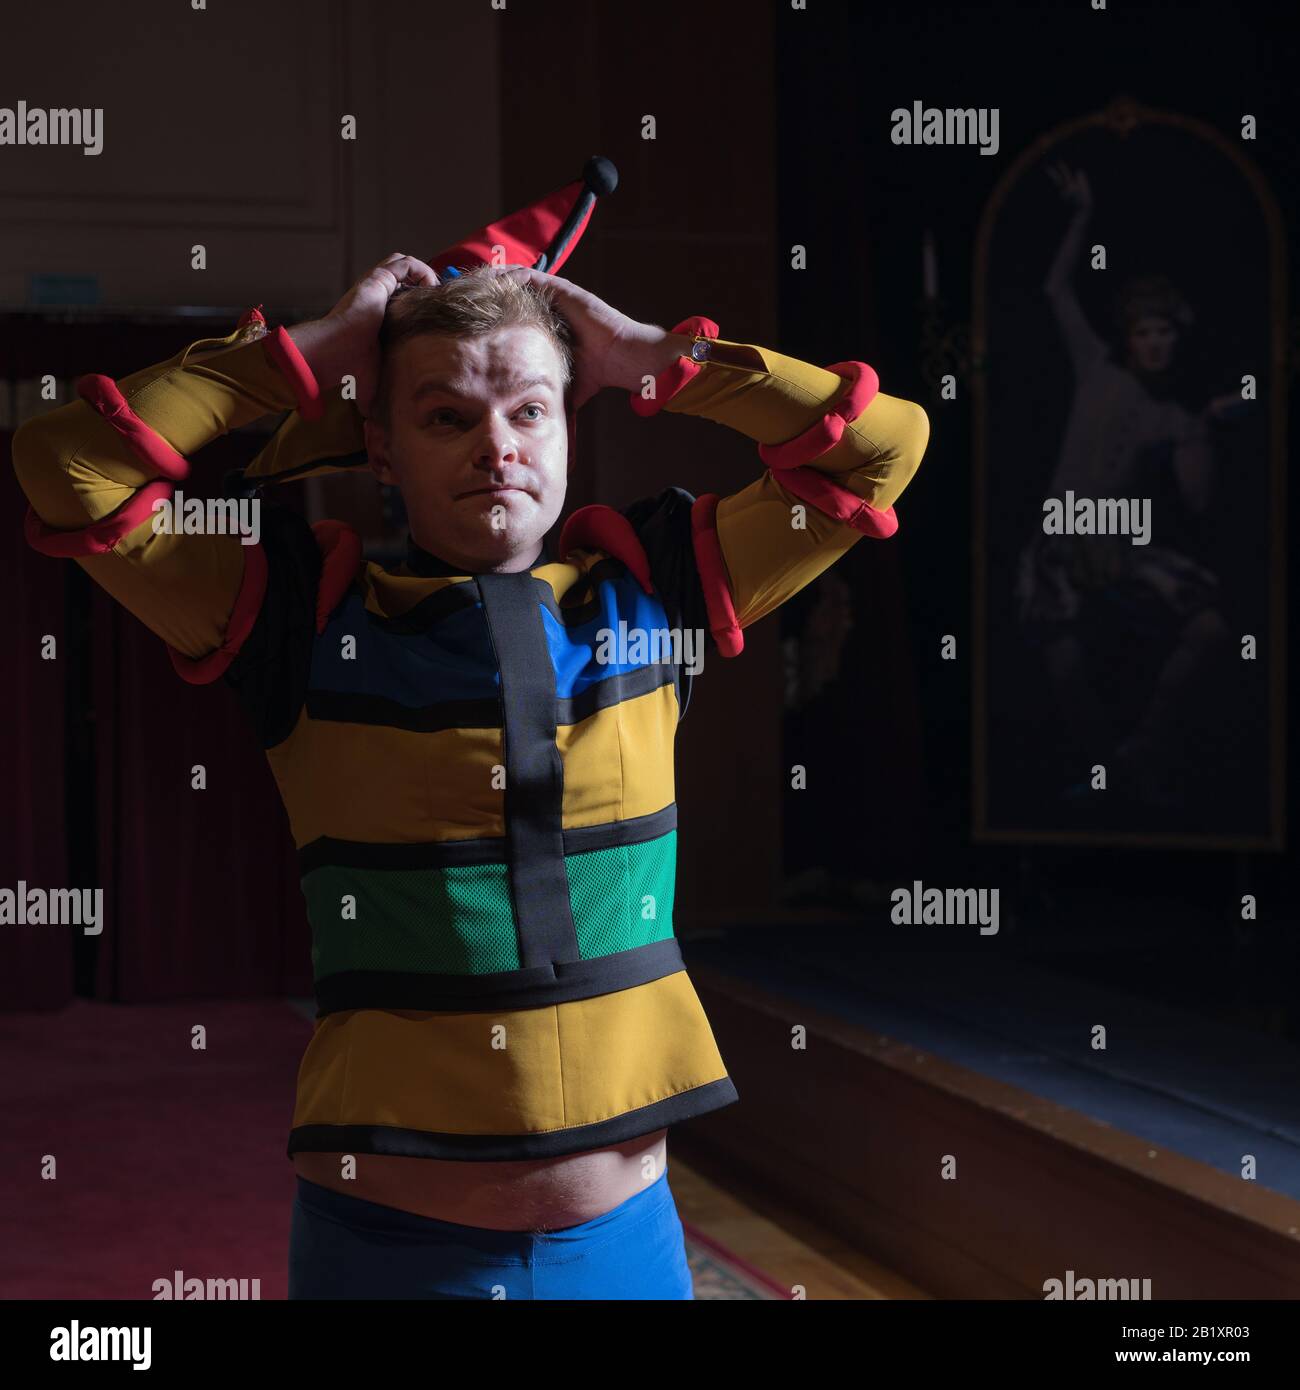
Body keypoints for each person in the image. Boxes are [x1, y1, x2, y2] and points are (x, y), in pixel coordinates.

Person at [14, 202, 929, 1297]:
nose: (497, 446)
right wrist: (306, 353)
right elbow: (65, 467)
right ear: (383, 449)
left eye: (528, 410)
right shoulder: (292, 615)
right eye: (446, 416)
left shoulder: (656, 586)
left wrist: (656, 356)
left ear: (565, 430)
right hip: (392, 1256)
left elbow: (883, 450)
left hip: (626, 1250)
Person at [1016, 161, 1237, 809]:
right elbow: (1056, 290)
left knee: (1212, 630)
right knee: (1062, 664)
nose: (1156, 343)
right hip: (1064, 536)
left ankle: (1143, 750)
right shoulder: (1097, 368)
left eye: (1165, 331)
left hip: (1118, 543)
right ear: (1128, 337)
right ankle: (1104, 773)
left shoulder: (1174, 415)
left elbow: (1197, 500)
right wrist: (1083, 212)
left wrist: (1205, 432)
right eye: (1145, 331)